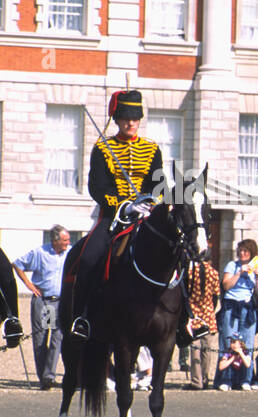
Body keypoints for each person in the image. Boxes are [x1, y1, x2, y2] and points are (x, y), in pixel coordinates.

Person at [67, 90, 164, 340]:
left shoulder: (152, 150)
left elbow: (158, 185)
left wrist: (149, 203)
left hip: (145, 216)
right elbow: (97, 187)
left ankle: (185, 320)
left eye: (134, 118)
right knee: (88, 259)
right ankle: (81, 317)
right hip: (113, 217)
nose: (130, 123)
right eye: (124, 118)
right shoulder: (103, 148)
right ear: (117, 119)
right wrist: (124, 206)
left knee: (175, 252)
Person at [12, 225, 72, 389]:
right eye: (65, 240)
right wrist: (29, 285)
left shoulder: (70, 252)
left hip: (61, 302)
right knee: (41, 339)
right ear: (55, 240)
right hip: (45, 302)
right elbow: (17, 264)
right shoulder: (40, 253)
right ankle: (44, 377)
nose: (68, 243)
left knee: (57, 338)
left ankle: (49, 376)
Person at [184, 256, 221, 390]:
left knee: (195, 347)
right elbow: (216, 295)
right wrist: (210, 307)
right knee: (207, 349)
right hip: (208, 314)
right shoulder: (214, 273)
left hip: (194, 314)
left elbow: (185, 293)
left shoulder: (190, 272)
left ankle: (196, 381)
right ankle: (205, 379)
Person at [220, 240, 258, 355]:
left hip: (247, 307)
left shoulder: (255, 268)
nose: (242, 253)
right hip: (231, 306)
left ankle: (246, 372)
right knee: (229, 344)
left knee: (247, 346)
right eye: (240, 250)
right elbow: (226, 285)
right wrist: (239, 273)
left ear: (251, 252)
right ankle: (227, 371)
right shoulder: (232, 265)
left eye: (245, 251)